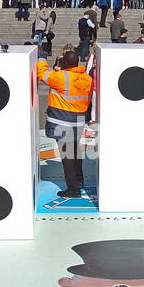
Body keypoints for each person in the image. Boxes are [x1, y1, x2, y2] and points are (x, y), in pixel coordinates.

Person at [37, 48, 94, 199]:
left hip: (62, 123)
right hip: (78, 122)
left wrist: (42, 57)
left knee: (67, 157)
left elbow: (41, 73)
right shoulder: (87, 79)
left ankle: (73, 189)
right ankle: (79, 180)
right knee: (75, 151)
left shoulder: (61, 77)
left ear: (66, 63)